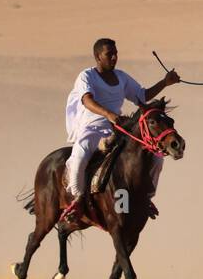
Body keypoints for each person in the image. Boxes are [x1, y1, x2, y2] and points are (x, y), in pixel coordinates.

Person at [63, 38, 179, 221]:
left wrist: (165, 82)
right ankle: (77, 200)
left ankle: (146, 197)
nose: (114, 57)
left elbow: (142, 95)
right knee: (80, 154)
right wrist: (108, 114)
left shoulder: (121, 77)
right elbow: (87, 100)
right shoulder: (87, 76)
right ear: (98, 57)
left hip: (118, 129)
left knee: (157, 156)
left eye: (115, 53)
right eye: (109, 54)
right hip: (92, 128)